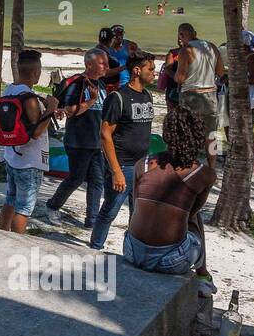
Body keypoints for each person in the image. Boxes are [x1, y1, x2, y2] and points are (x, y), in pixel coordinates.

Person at [121, 105, 218, 295]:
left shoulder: (144, 164)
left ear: (166, 134)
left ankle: (201, 275)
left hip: (132, 251)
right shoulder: (204, 174)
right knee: (193, 218)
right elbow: (192, 214)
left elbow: (135, 205)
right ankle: (202, 275)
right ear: (198, 138)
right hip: (170, 260)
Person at [91, 52, 156, 251]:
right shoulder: (118, 98)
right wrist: (116, 171)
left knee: (137, 212)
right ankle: (95, 247)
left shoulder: (147, 95)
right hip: (123, 165)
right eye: (151, 69)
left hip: (142, 165)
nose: (154, 73)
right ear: (137, 70)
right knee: (110, 210)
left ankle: (132, 250)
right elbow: (105, 134)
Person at [0, 49, 62, 235]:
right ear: (36, 72)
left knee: (10, 199)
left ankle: (2, 234)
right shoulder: (30, 99)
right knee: (24, 209)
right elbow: (36, 132)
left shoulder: (9, 90)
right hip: (29, 162)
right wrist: (51, 108)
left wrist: (47, 110)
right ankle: (17, 242)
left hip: (11, 157)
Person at [45, 47, 109, 228]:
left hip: (97, 142)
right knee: (76, 178)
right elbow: (70, 111)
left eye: (106, 62)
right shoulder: (78, 83)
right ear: (89, 64)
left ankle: (92, 220)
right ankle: (52, 205)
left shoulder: (102, 85)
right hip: (78, 141)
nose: (106, 66)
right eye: (102, 62)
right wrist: (90, 101)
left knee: (97, 181)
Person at [174, 22, 225, 168]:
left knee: (188, 132)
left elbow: (180, 78)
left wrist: (173, 75)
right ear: (195, 32)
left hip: (192, 95)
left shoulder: (186, 50)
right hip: (210, 94)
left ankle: (190, 164)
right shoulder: (212, 47)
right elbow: (221, 72)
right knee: (211, 135)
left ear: (182, 35)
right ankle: (212, 166)